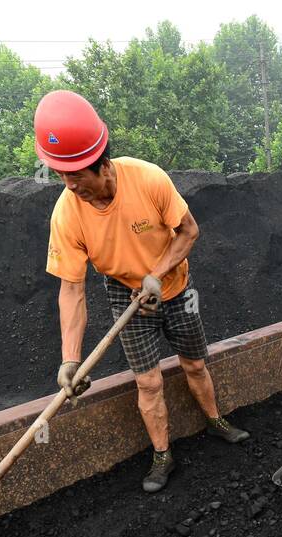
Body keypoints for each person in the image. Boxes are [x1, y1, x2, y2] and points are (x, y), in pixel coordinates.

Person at [36, 90, 248, 494]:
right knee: (148, 383)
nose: (68, 184)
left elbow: (189, 231)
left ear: (100, 164)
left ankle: (216, 421)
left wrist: (158, 273)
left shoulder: (148, 178)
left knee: (195, 365)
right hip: (125, 295)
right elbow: (71, 290)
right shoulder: (67, 213)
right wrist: (70, 360)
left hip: (177, 286)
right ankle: (163, 454)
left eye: (76, 174)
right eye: (61, 174)